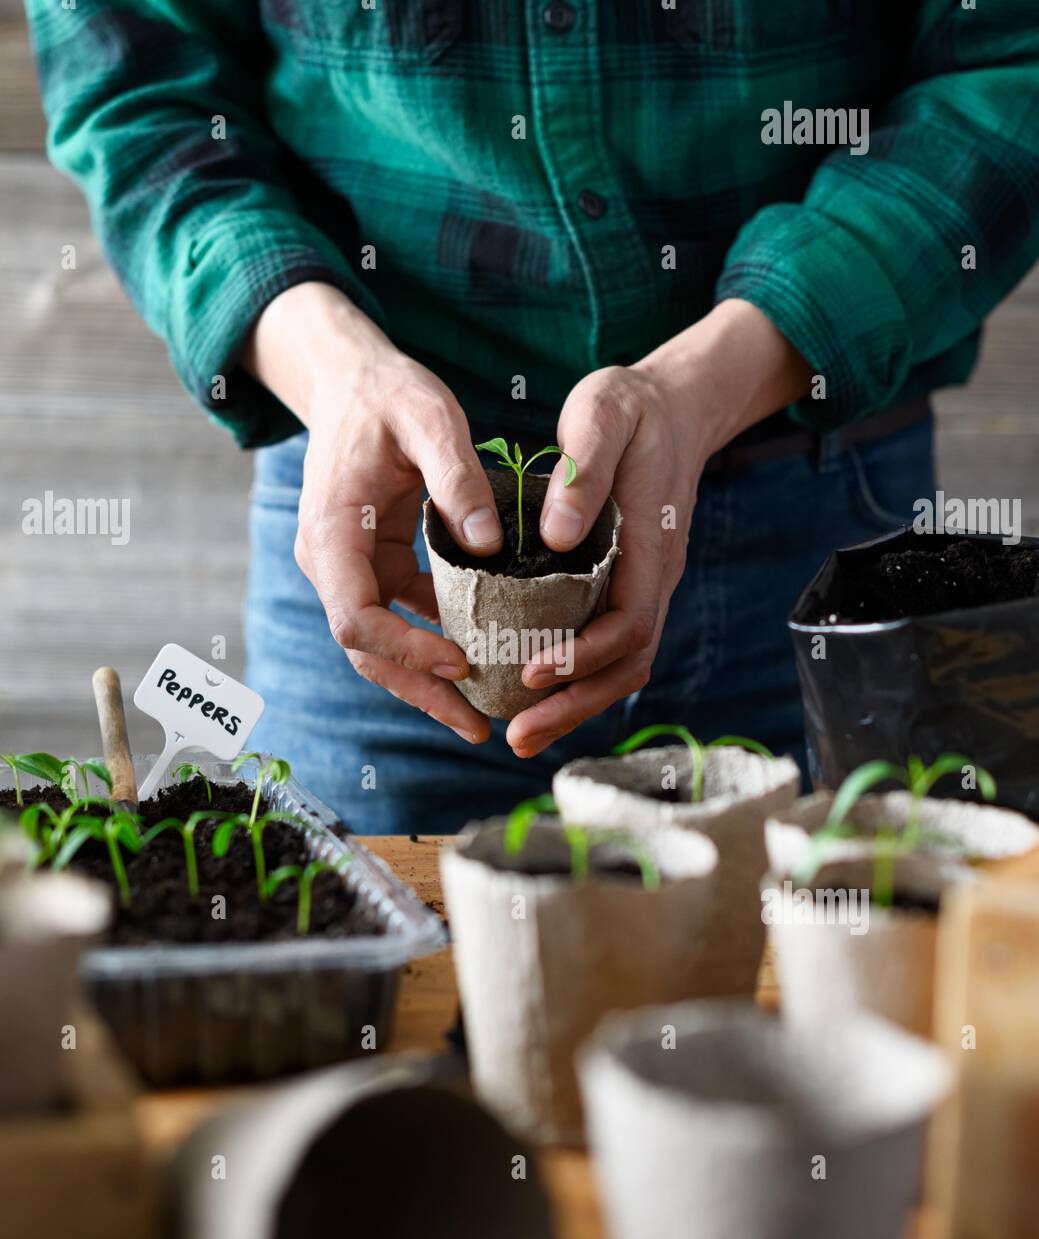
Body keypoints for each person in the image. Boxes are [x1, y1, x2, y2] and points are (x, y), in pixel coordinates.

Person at [28, 2, 1039, 831]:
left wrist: (715, 377)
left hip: (810, 517)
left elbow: (1007, 62)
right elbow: (135, 81)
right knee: (367, 1018)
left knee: (822, 1020)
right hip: (385, 532)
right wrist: (331, 365)